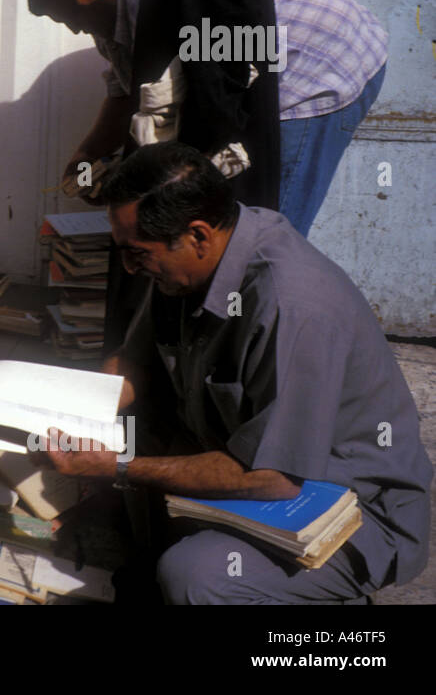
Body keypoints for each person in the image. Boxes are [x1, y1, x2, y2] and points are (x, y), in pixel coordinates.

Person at [37, 142, 431, 604]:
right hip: (246, 453)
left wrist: (117, 467)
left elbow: (276, 477)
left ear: (199, 236)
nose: (129, 267)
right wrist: (62, 414)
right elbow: (134, 362)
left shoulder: (293, 305)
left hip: (347, 506)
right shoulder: (188, 260)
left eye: (137, 254)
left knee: (197, 575)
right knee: (128, 433)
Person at [56, 0, 281, 353]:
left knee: (231, 289)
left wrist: (214, 160)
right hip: (208, 144)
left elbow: (237, 40)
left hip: (229, 149)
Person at [27, 0, 389, 235]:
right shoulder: (108, 15)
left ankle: (272, 312)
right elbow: (127, 92)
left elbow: (209, 100)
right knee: (223, 216)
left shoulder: (160, 0)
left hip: (322, 64)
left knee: (268, 229)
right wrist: (86, 157)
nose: (75, 29)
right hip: (264, 62)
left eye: (72, 15)